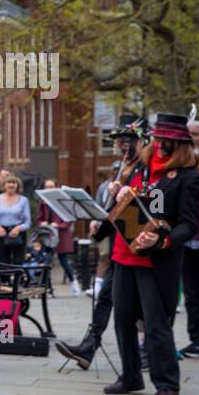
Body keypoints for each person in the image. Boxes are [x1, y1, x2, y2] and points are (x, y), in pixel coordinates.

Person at [94, 112, 199, 395]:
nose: (162, 145)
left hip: (156, 260)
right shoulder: (139, 169)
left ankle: (167, 383)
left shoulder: (189, 178)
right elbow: (124, 205)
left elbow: (188, 225)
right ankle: (130, 376)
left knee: (155, 323)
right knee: (123, 319)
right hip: (123, 253)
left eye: (169, 141)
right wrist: (108, 212)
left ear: (180, 145)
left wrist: (163, 239)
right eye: (159, 139)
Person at [57, 116, 148, 369]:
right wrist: (102, 221)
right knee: (105, 298)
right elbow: (117, 211)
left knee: (142, 304)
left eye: (128, 141)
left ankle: (148, 350)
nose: (122, 146)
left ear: (142, 142)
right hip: (120, 246)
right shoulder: (124, 169)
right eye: (120, 141)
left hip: (142, 249)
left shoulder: (148, 170)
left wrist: (128, 195)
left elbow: (156, 208)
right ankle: (88, 348)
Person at [180, 119, 199, 358]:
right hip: (188, 238)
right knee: (192, 292)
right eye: (187, 134)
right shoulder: (182, 163)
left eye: (196, 134)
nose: (191, 138)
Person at [38, 178, 80, 294]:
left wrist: (58, 225)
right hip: (48, 236)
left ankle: (73, 281)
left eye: (51, 187)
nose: (49, 189)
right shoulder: (43, 202)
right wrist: (42, 223)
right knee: (46, 261)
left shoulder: (62, 201)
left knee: (64, 262)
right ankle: (45, 286)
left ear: (56, 188)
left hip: (61, 236)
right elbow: (40, 218)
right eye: (47, 187)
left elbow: (69, 220)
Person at [0, 173, 30, 265]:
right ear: (4, 185)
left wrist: (19, 228)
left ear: (18, 185)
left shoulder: (24, 200)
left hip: (18, 234)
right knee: (2, 263)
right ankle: (4, 279)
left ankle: (17, 279)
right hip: (2, 234)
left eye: (14, 183)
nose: (11, 185)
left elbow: (28, 222)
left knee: (18, 263)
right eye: (9, 182)